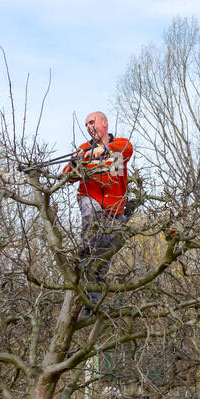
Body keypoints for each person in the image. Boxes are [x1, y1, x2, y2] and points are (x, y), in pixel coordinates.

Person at [62, 112, 134, 310]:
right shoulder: (84, 149)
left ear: (104, 123)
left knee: (102, 258)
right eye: (86, 124)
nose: (88, 127)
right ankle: (84, 254)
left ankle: (91, 304)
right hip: (90, 198)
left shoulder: (119, 146)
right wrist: (76, 161)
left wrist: (103, 150)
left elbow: (128, 148)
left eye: (92, 122)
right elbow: (67, 176)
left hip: (114, 209)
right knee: (92, 215)